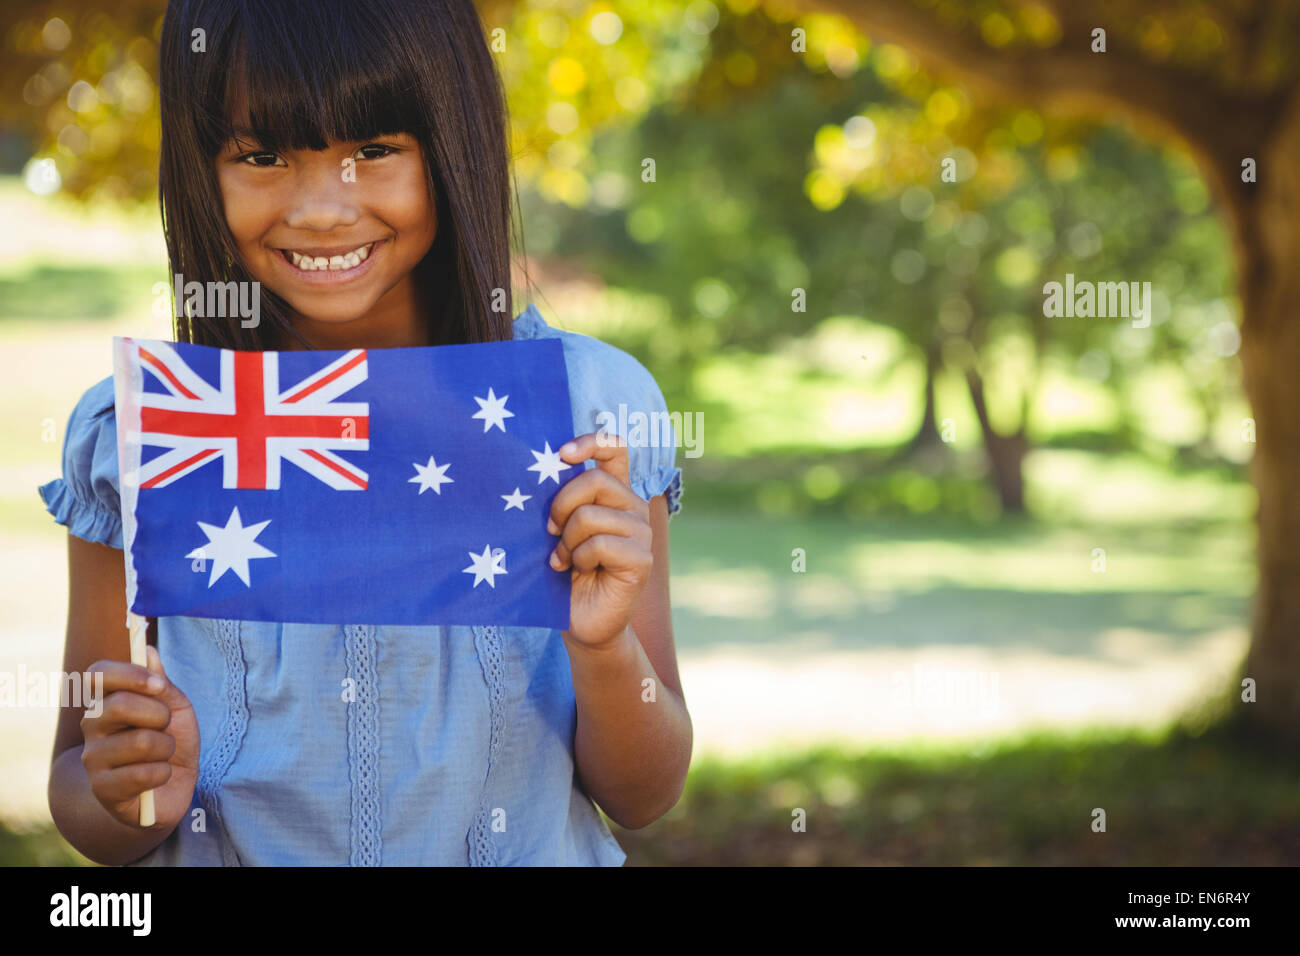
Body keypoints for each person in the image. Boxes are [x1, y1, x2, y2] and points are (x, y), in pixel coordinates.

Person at [39, 0, 689, 866]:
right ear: (200, 167)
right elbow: (79, 788)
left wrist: (600, 646)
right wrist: (134, 788)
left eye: (373, 151)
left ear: (452, 145)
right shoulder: (148, 431)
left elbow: (645, 797)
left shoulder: (589, 410)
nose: (320, 209)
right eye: (261, 155)